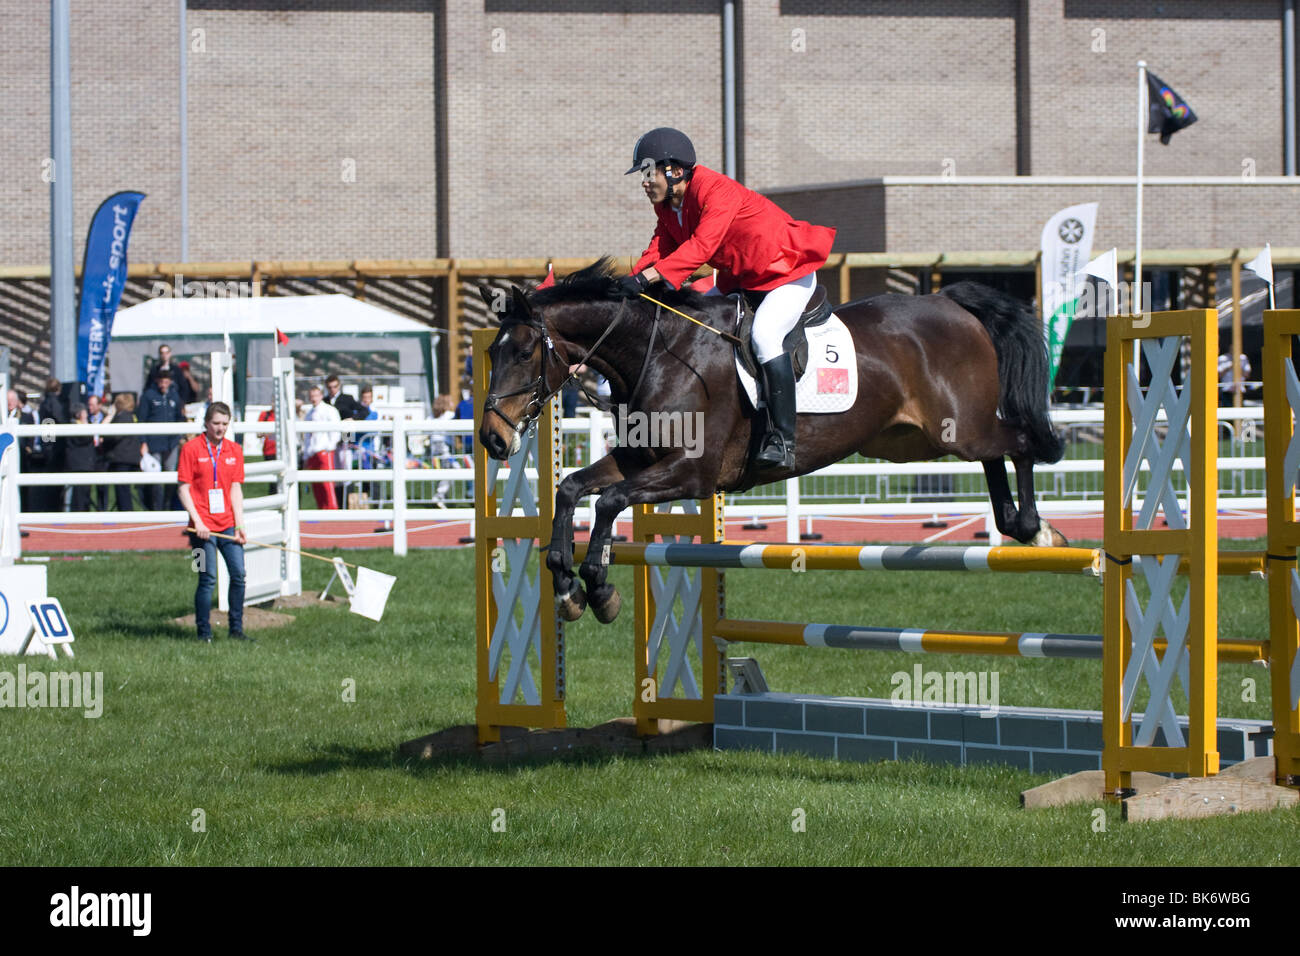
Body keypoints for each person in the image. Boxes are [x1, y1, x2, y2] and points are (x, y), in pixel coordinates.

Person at [622, 127, 836, 470]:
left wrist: (647, 278)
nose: (644, 182)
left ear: (674, 170)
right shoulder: (669, 206)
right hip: (744, 278)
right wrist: (630, 279)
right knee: (698, 320)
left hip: (785, 275)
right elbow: (661, 246)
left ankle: (783, 439)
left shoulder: (716, 190)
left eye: (648, 174)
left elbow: (702, 248)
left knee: (765, 336)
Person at [178, 401, 249, 643]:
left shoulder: (234, 450)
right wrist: (197, 522)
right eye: (216, 423)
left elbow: (235, 488)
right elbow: (184, 489)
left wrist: (239, 525)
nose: (220, 428)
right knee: (206, 578)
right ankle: (203, 632)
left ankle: (236, 629)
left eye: (225, 424)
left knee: (239, 574)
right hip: (200, 529)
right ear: (206, 424)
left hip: (228, 524)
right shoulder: (191, 449)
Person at [139, 369, 185, 511]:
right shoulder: (148, 396)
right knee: (156, 477)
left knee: (171, 474)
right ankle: (156, 509)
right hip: (154, 443)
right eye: (161, 381)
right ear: (156, 381)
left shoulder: (174, 395)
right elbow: (141, 419)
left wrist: (179, 436)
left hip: (171, 443)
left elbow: (179, 416)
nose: (163, 384)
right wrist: (143, 441)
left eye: (166, 381)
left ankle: (168, 506)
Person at [302, 385, 341, 509]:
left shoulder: (329, 410)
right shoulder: (309, 414)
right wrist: (306, 454)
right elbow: (307, 436)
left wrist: (330, 446)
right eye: (311, 396)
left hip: (324, 450)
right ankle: (321, 509)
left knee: (327, 482)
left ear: (321, 396)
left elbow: (335, 430)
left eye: (316, 395)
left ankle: (332, 509)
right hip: (313, 452)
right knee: (316, 484)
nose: (314, 398)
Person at [102, 393, 140, 511]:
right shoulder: (132, 416)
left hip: (122, 457)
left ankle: (126, 513)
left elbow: (114, 436)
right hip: (129, 456)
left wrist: (105, 439)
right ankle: (124, 511)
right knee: (123, 487)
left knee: (122, 488)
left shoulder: (122, 417)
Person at [37, 377, 68, 512]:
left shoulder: (44, 403)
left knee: (50, 477)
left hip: (47, 442)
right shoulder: (54, 402)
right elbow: (60, 418)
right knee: (56, 479)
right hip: (55, 446)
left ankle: (50, 508)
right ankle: (55, 509)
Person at [65, 403, 97, 511]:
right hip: (79, 464)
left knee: (85, 493)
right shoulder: (74, 425)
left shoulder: (83, 424)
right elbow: (84, 439)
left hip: (85, 463)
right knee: (79, 494)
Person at [86, 393, 110, 511]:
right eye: (89, 404)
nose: (89, 407)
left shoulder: (107, 418)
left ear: (99, 405)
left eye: (92, 405)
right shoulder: (85, 419)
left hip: (102, 454)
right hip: (89, 455)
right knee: (87, 486)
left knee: (102, 486)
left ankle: (102, 511)